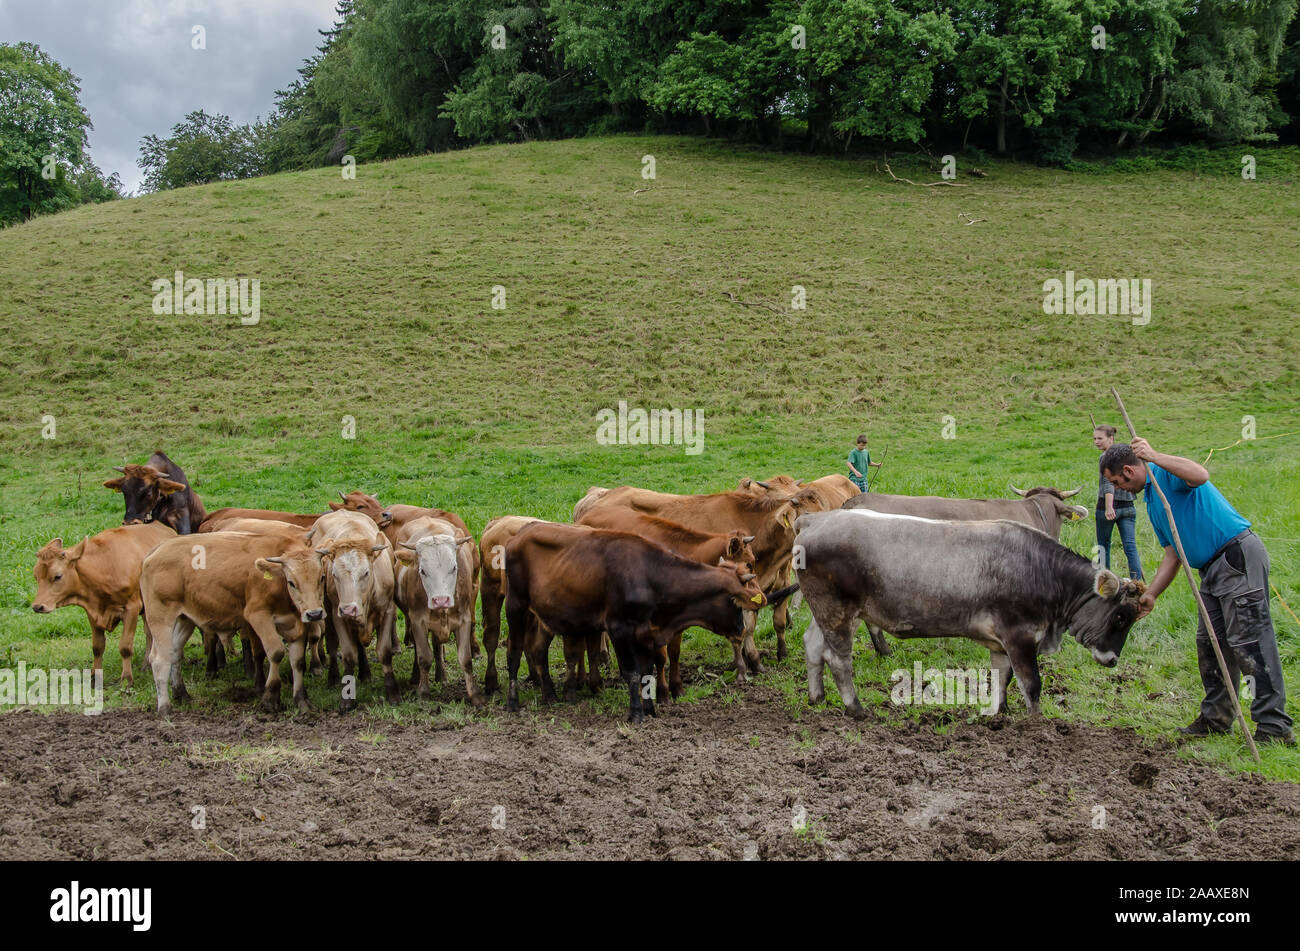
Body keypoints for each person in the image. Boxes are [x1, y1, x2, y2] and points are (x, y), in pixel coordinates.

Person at [1100, 438, 1293, 745]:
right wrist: (1152, 594)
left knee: (1250, 642)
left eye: (1116, 482)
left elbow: (1200, 474)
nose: (1118, 489)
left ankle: (1273, 727)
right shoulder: (1153, 500)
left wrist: (1153, 456)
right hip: (1210, 571)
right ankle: (1216, 718)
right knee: (1210, 643)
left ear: (1128, 469)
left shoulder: (1165, 476)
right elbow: (1172, 553)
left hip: (1235, 557)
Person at [1092, 424, 1143, 580]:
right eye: (1094, 438)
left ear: (1111, 439)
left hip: (1108, 508)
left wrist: (1109, 507)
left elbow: (1108, 485)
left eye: (1100, 438)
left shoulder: (1105, 458)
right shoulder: (1126, 456)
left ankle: (1102, 579)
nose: (1096, 442)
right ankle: (1137, 581)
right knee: (1130, 546)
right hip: (1129, 507)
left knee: (1101, 545)